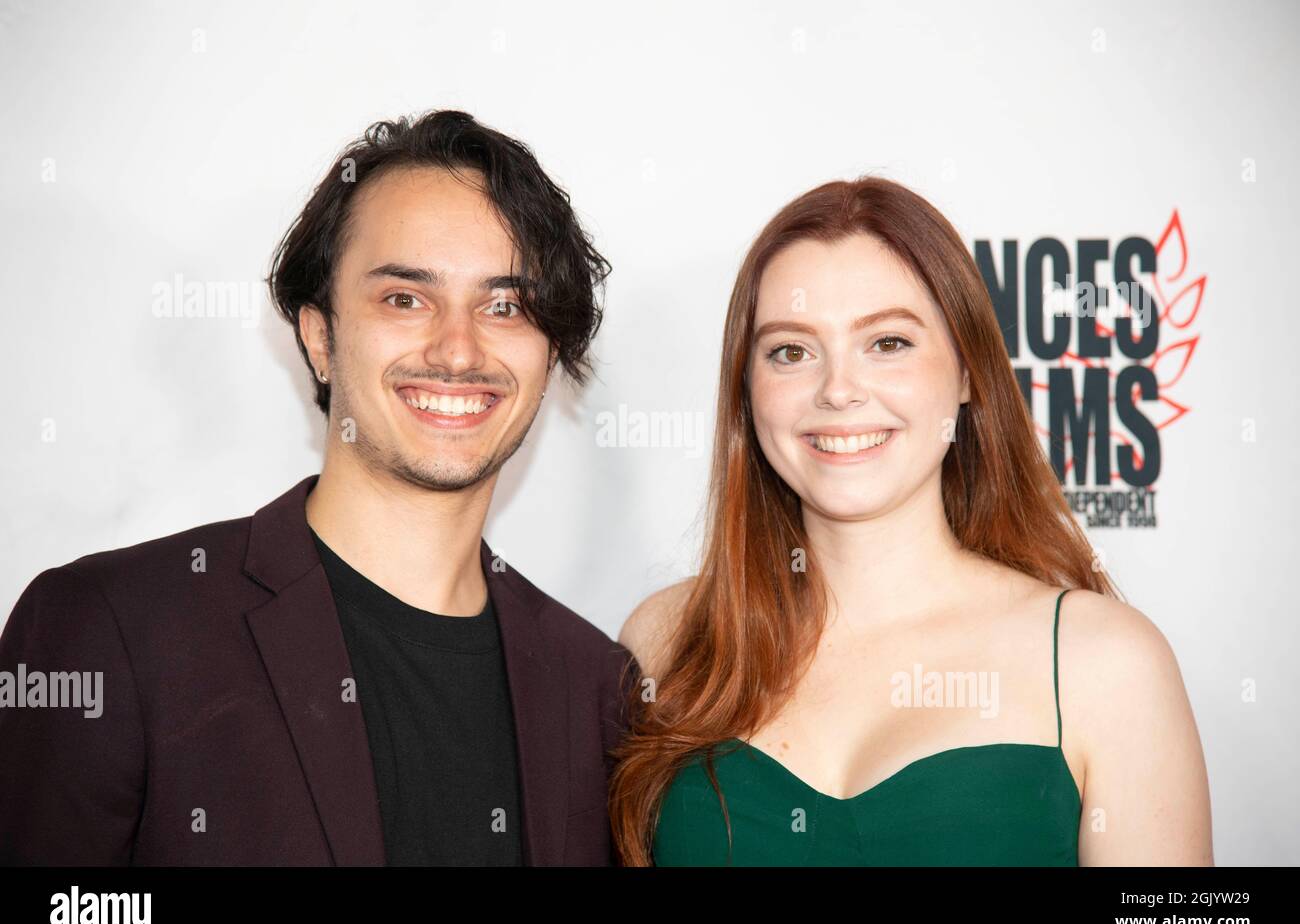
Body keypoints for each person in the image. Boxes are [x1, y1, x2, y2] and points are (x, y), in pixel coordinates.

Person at [0, 109, 636, 866]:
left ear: (549, 352)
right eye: (405, 298)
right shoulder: (108, 631)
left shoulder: (601, 695)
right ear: (319, 337)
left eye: (505, 306)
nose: (458, 350)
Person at [612, 176, 1212, 866]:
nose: (837, 389)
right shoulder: (665, 641)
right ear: (747, 392)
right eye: (791, 351)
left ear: (965, 372)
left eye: (887, 342)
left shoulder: (1106, 663)